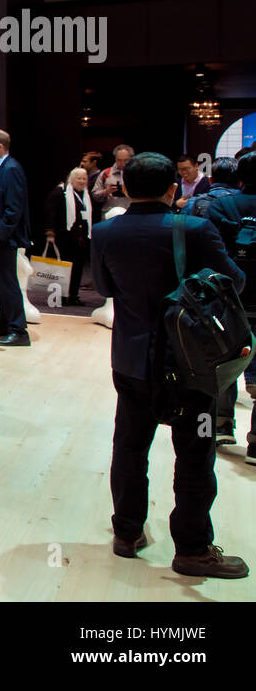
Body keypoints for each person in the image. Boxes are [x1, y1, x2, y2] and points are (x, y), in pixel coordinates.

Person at [91, 152, 248, 578]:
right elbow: (234, 280)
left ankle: (127, 533)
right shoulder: (195, 229)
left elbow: (103, 287)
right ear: (172, 188)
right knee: (195, 453)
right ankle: (193, 550)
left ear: (123, 187)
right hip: (190, 366)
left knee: (129, 446)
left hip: (131, 362)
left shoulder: (104, 232)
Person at [205, 151, 256, 453]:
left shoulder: (222, 205)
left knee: (226, 358)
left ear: (239, 177)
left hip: (229, 295)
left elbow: (211, 252)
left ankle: (222, 425)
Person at [0, 129, 31, 347]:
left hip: (4, 239)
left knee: (8, 283)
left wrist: (0, 236)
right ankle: (3, 322)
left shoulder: (11, 169)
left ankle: (18, 330)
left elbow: (13, 209)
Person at [45, 167, 93, 306]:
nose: (82, 181)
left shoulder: (86, 195)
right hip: (64, 237)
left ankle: (74, 295)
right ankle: (60, 295)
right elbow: (50, 213)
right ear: (71, 179)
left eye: (84, 178)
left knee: (78, 268)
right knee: (64, 268)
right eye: (79, 178)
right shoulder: (61, 192)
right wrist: (50, 232)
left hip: (81, 239)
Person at [91, 144, 134, 215]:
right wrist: (106, 192)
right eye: (119, 160)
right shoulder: (106, 173)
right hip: (110, 214)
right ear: (115, 158)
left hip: (131, 213)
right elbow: (94, 196)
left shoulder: (137, 174)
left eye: (126, 160)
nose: (122, 163)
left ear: (131, 159)